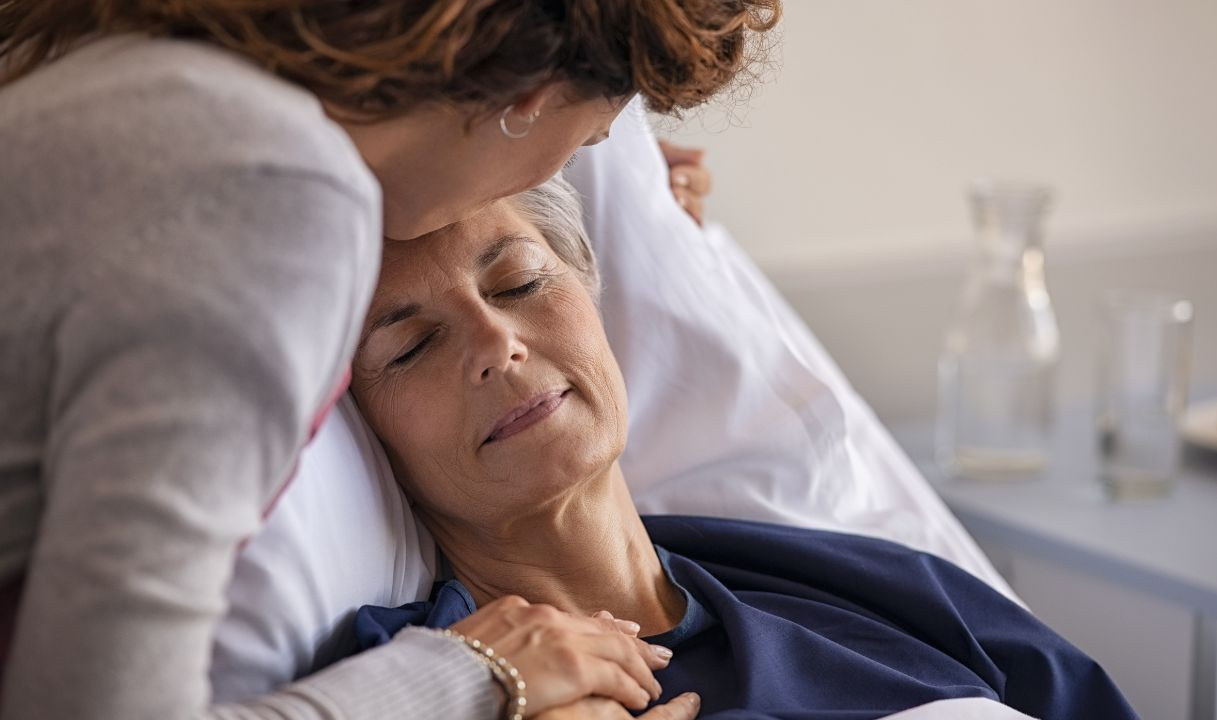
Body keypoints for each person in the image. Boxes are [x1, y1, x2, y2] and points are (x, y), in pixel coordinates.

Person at [0, 1, 778, 718]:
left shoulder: (132, 85)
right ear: (530, 100)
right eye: (587, 143)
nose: (560, 171)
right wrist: (475, 672)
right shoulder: (269, 195)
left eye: (522, 280)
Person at [345, 177, 1140, 720]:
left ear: (593, 304)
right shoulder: (426, 681)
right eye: (411, 346)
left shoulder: (865, 586)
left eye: (519, 283)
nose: (496, 344)